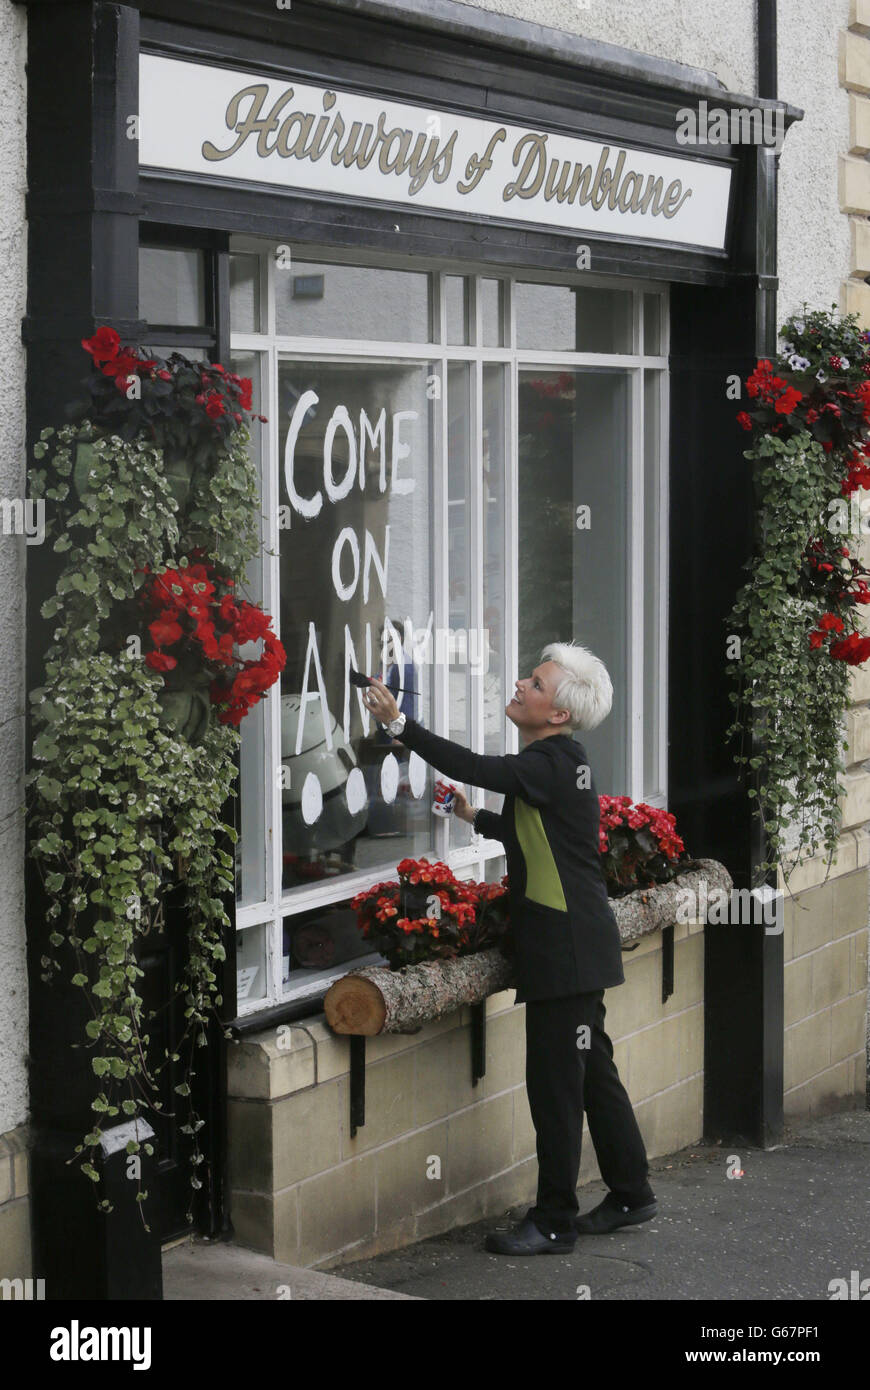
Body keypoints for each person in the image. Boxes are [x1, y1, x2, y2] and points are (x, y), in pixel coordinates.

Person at [363, 640, 657, 1255]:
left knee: (555, 1087)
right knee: (593, 1074)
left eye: (537, 684)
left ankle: (554, 1221)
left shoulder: (550, 761)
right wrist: (474, 817)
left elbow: (477, 765)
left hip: (566, 952)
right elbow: (534, 828)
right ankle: (632, 1194)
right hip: (576, 948)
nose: (521, 685)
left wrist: (398, 723)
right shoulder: (551, 765)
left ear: (559, 714)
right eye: (528, 676)